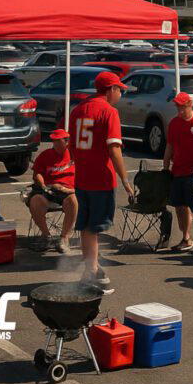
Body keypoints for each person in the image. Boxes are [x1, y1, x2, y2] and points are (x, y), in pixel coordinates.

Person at [69, 71, 135, 293]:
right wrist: (125, 179)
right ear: (110, 90)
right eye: (119, 90)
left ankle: (90, 270)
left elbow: (71, 146)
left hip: (82, 178)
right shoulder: (109, 112)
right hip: (101, 179)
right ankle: (94, 272)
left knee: (86, 227)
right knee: (94, 227)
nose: (120, 95)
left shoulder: (77, 110)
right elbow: (114, 148)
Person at [162, 91, 193, 252]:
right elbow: (170, 144)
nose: (179, 110)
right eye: (177, 107)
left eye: (182, 107)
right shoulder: (174, 123)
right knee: (178, 205)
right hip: (177, 170)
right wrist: (165, 163)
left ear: (190, 105)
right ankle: (186, 237)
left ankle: (190, 238)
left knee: (192, 205)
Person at [26, 129, 77, 254]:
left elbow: (85, 175)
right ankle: (46, 235)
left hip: (68, 191)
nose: (55, 144)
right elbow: (37, 173)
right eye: (54, 141)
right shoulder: (46, 155)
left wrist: (69, 189)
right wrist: (43, 185)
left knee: (73, 201)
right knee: (35, 201)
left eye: (58, 141)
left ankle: (64, 238)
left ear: (66, 142)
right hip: (49, 189)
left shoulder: (74, 154)